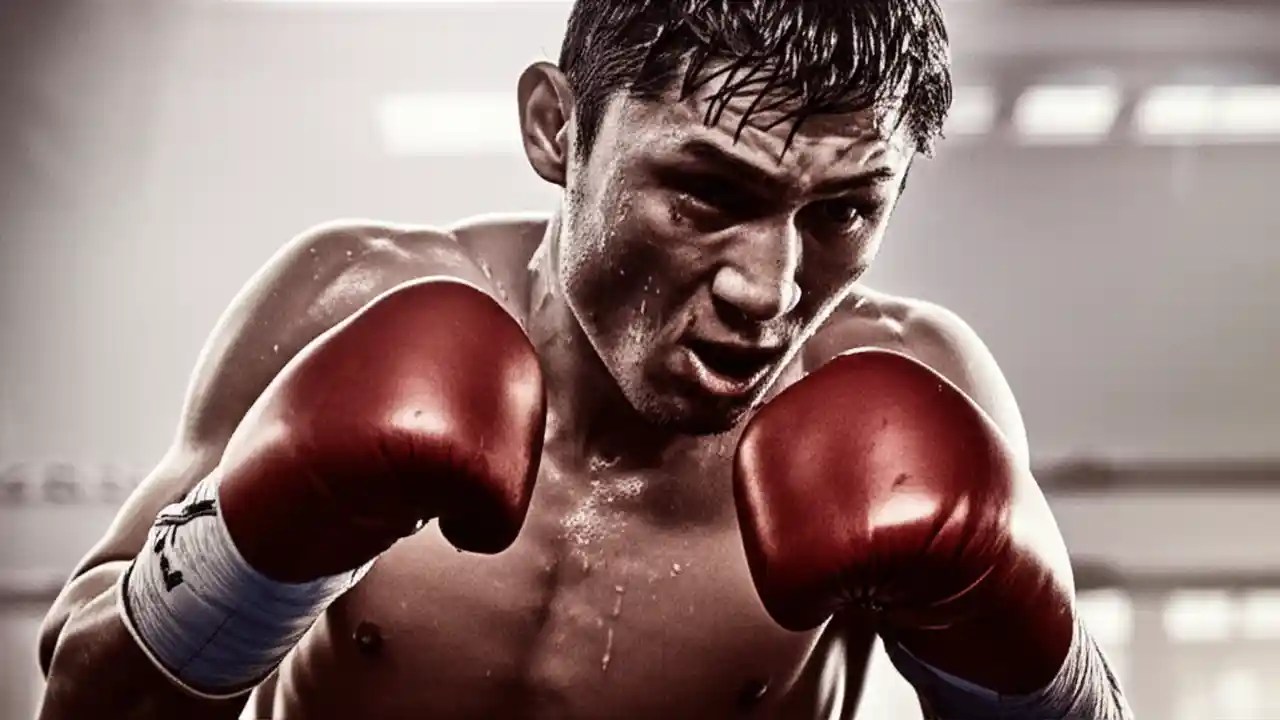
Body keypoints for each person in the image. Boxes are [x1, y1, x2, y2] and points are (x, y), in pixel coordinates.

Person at [35, 1, 1132, 718]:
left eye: (842, 211)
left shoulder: (905, 384)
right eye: (707, 194)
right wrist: (257, 550)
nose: (770, 286)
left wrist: (992, 634)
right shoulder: (351, 299)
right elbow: (88, 700)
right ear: (556, 130)